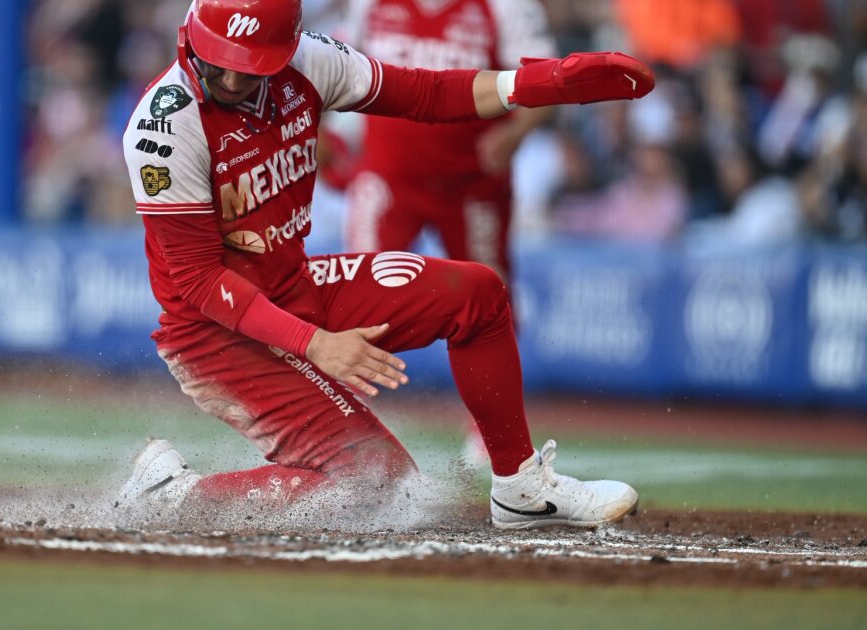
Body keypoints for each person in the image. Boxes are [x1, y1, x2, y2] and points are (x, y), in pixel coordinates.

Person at [119, 0, 654, 529]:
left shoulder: (310, 61)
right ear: (190, 35)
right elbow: (199, 280)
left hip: (293, 285)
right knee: (380, 483)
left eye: (251, 65)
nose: (232, 79)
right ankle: (171, 497)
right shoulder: (164, 128)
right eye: (221, 61)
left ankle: (520, 488)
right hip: (214, 333)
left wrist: (541, 85)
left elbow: (425, 93)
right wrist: (316, 344)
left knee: (478, 294)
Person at [341, 0, 556, 283]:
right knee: (361, 292)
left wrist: (517, 133)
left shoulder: (507, 6)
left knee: (488, 299)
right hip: (387, 179)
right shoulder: (367, 4)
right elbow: (336, 66)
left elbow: (548, 80)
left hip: (472, 182)